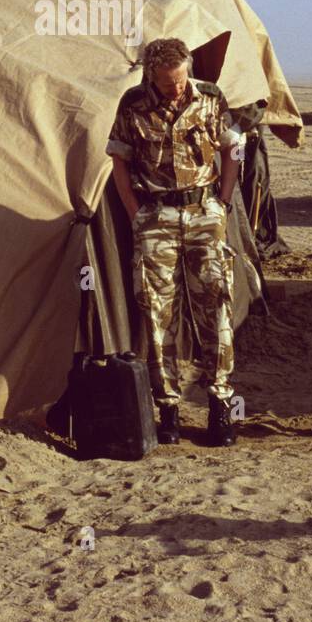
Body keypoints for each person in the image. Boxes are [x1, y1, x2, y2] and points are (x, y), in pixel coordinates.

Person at [106, 37, 242, 446]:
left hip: (204, 214)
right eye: (167, 83)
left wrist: (223, 202)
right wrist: (136, 216)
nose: (176, 88)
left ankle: (220, 404)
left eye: (181, 79)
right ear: (151, 76)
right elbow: (119, 162)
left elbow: (232, 148)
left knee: (215, 305)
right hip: (156, 217)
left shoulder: (211, 98)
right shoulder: (132, 104)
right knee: (157, 314)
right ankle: (168, 409)